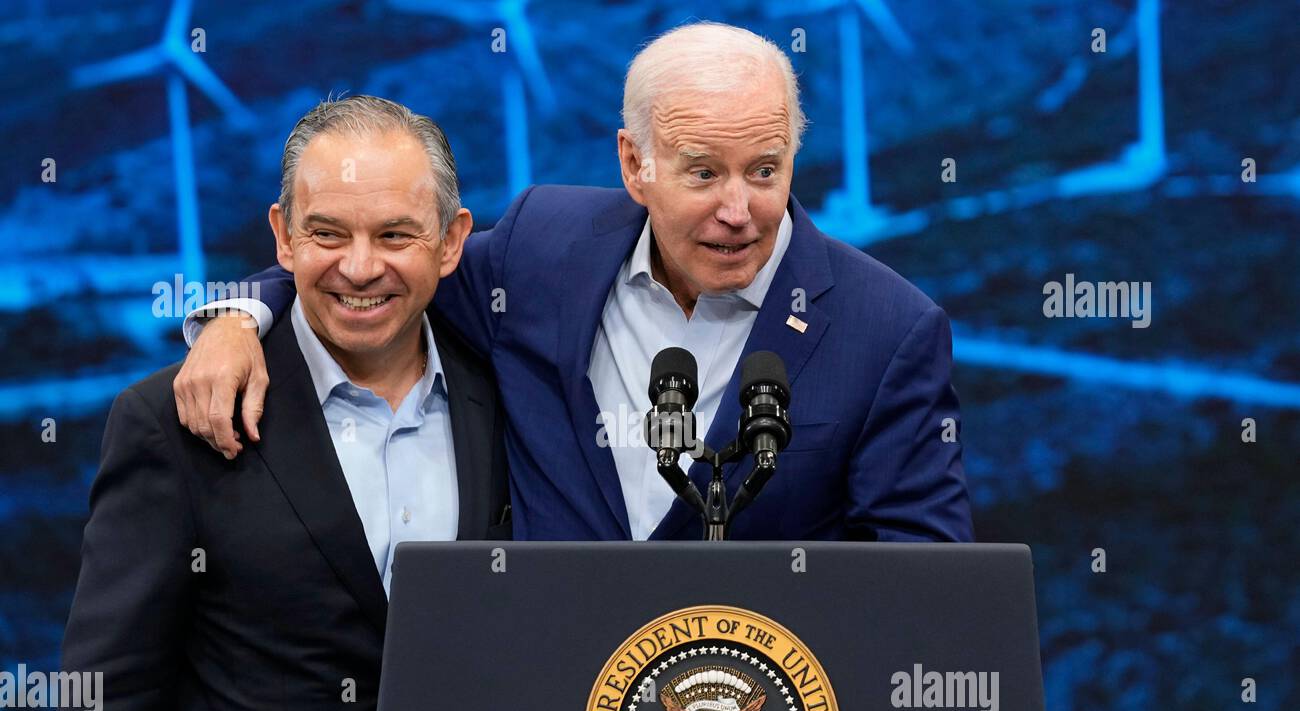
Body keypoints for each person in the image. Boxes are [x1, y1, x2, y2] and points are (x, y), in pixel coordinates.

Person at [177, 22, 973, 543]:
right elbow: (377, 270)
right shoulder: (541, 251)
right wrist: (239, 316)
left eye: (764, 171)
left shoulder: (887, 331)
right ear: (635, 164)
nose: (739, 209)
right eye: (703, 173)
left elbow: (921, 586)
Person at [52, 95, 510, 711]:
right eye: (327, 233)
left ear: (453, 241)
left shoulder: (508, 400)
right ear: (282, 236)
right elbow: (110, 700)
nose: (359, 267)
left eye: (396, 234)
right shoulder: (175, 420)